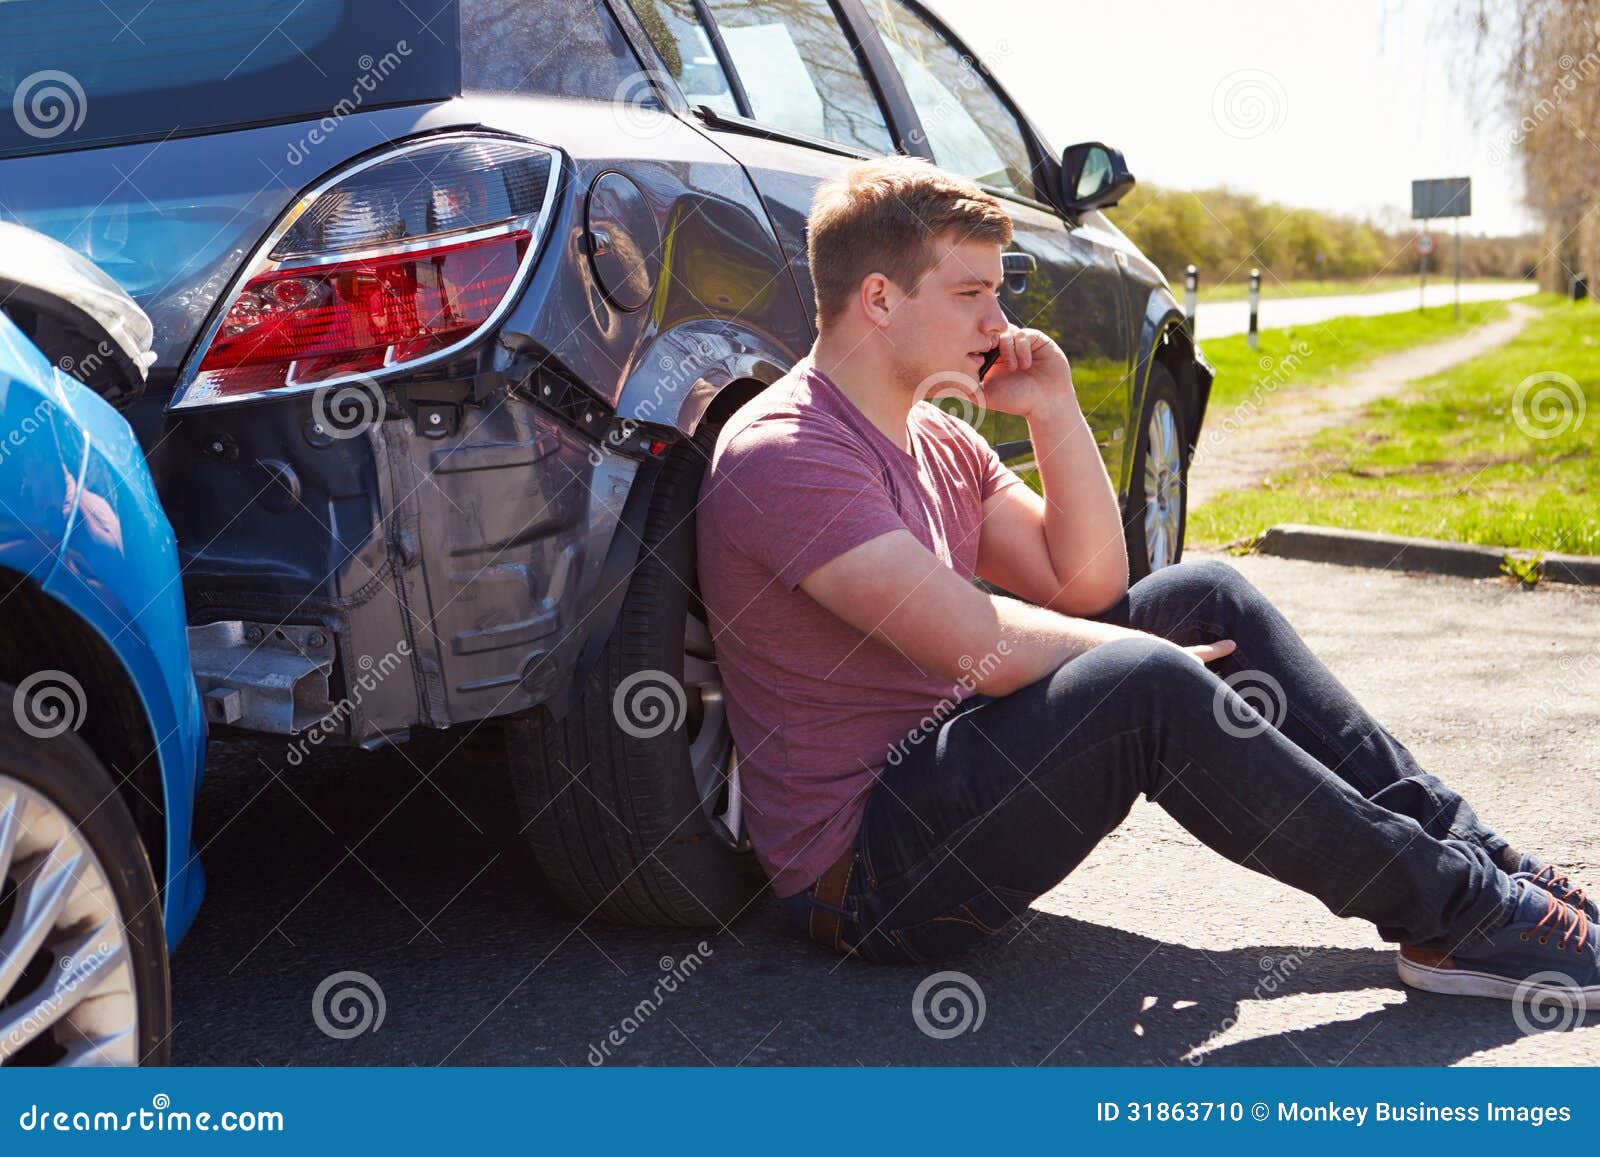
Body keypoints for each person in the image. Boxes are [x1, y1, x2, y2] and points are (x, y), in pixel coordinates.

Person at [694, 155, 1597, 1003]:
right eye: (971, 295)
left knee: (1203, 596)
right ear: (879, 299)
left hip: (951, 772)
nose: (999, 324)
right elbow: (980, 644)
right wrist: (1148, 662)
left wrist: (1053, 406)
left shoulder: (935, 437)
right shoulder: (786, 452)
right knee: (1147, 677)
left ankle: (1479, 853)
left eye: (998, 295)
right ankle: (1458, 911)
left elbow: (1086, 581)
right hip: (866, 872)